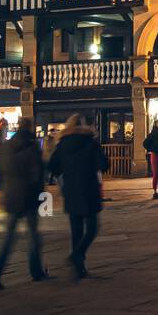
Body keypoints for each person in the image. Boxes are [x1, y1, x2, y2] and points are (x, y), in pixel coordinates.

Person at [0, 117, 47, 289]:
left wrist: (6, 189)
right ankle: (36, 271)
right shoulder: (33, 148)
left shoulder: (6, 148)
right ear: (31, 128)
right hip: (29, 197)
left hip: (12, 197)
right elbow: (38, 176)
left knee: (9, 239)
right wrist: (42, 198)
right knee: (34, 236)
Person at [48, 113, 108, 277]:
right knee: (93, 228)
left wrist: (64, 174)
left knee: (76, 231)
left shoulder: (62, 144)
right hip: (89, 189)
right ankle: (77, 256)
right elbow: (102, 164)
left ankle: (79, 267)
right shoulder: (90, 142)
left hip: (71, 191)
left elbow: (52, 166)